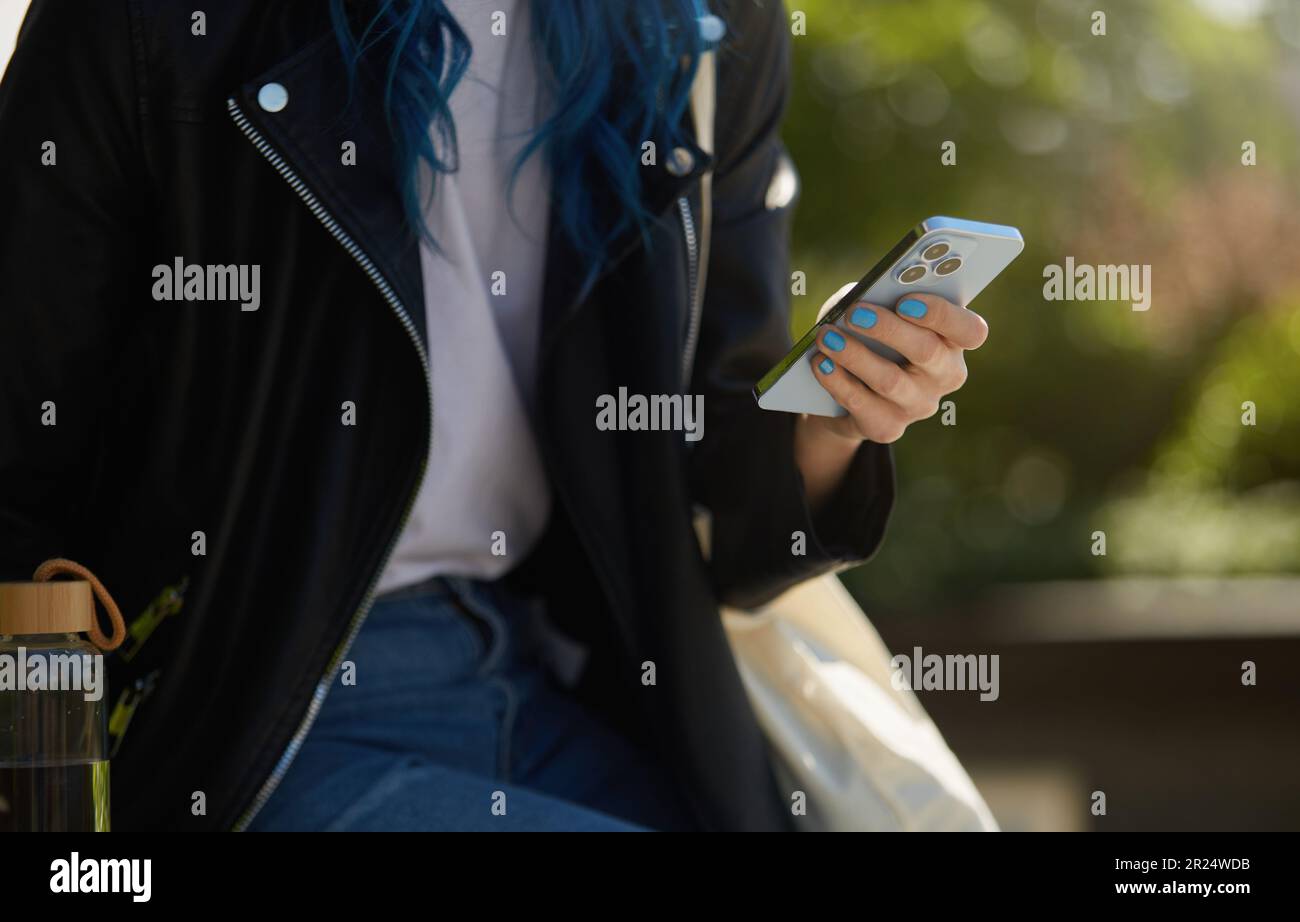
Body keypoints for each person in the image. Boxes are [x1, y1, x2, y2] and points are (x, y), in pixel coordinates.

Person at [0, 0, 986, 831]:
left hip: (556, 674)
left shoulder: (705, 31)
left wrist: (833, 422)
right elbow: (19, 447)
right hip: (251, 712)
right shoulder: (153, 22)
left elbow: (711, 500)